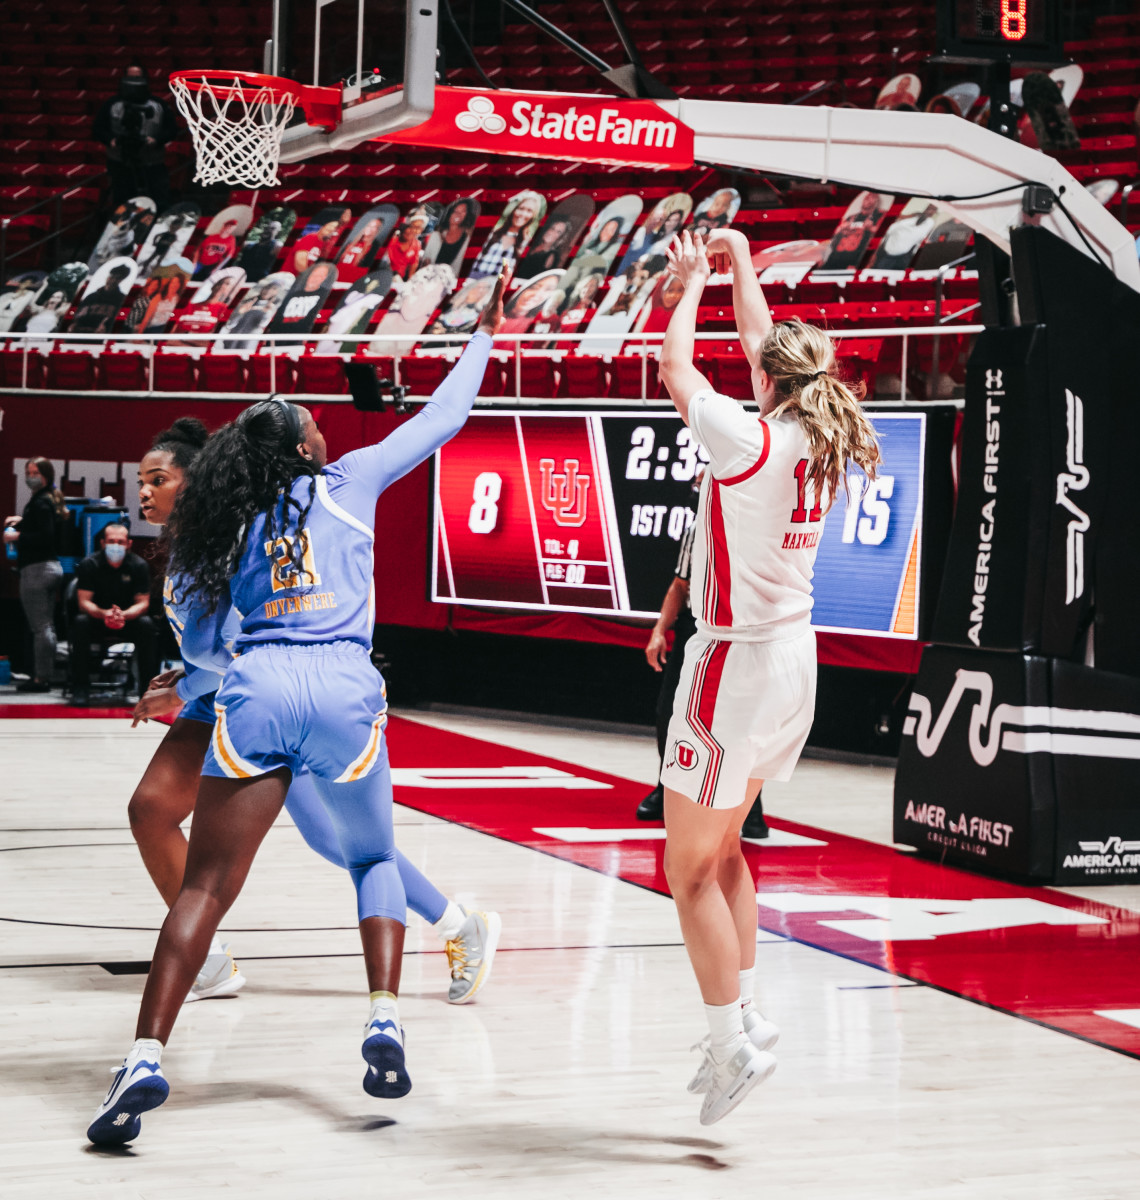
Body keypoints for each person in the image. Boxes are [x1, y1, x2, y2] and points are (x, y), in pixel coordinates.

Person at [87, 273, 508, 1147]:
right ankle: (387, 1015)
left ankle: (142, 1058)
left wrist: (195, 682)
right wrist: (483, 337)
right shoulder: (351, 479)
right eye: (314, 421)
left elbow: (206, 646)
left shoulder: (226, 526)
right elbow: (441, 420)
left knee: (207, 884)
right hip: (343, 690)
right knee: (362, 852)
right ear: (311, 445)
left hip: (258, 692)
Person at [124, 418, 501, 1006]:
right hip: (221, 700)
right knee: (151, 809)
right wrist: (185, 680)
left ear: (195, 482)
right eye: (141, 481)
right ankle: (209, 959)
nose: (144, 492)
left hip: (263, 700)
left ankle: (458, 925)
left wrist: (183, 685)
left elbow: (235, 647)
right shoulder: (187, 542)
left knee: (335, 841)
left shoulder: (232, 536)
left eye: (157, 479)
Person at [657, 229, 881, 1125]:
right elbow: (763, 349)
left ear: (768, 381)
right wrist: (742, 263)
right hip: (796, 659)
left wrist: (690, 285)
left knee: (685, 872)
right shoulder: (816, 433)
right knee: (729, 850)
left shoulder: (748, 442)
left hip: (734, 661)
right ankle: (743, 1012)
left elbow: (678, 369)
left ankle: (728, 1045)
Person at [637, 506, 770, 835]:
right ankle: (666, 785)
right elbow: (680, 586)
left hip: (742, 632)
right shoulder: (698, 528)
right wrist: (658, 632)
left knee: (742, 721)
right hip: (695, 628)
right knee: (670, 712)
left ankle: (751, 805)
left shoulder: (763, 528)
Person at [72, 524, 157, 705]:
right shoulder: (89, 564)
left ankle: (147, 691)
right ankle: (80, 688)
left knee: (147, 625)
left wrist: (123, 616)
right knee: (80, 623)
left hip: (128, 621)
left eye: (120, 541)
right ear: (103, 543)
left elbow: (143, 603)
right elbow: (83, 602)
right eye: (111, 541)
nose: (116, 545)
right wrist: (105, 614)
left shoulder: (139, 565)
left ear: (129, 543)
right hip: (98, 620)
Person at [3, 458, 66, 693]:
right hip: (49, 568)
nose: (31, 476)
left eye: (35, 472)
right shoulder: (47, 499)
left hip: (37, 570)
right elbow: (42, 526)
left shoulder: (41, 503)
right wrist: (23, 522)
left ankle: (41, 678)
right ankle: (44, 675)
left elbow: (45, 536)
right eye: (28, 471)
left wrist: (16, 537)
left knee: (41, 627)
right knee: (46, 626)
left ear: (46, 474)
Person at [92, 64, 178, 210]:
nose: (133, 82)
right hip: (120, 163)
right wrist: (111, 140)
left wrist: (156, 140)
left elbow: (172, 130)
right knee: (122, 204)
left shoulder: (158, 105)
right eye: (130, 78)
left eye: (137, 78)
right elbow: (98, 129)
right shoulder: (112, 104)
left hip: (152, 164)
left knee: (158, 202)